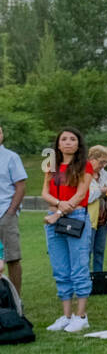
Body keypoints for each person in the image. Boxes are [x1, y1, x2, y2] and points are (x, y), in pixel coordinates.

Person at [41, 127, 94, 333]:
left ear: (78, 144)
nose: (68, 142)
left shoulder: (85, 165)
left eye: (73, 139)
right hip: (53, 217)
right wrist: (58, 204)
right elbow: (45, 192)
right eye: (64, 139)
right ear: (58, 143)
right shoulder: (51, 165)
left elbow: (81, 195)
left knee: (79, 267)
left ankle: (81, 316)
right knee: (60, 269)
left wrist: (58, 213)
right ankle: (66, 315)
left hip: (75, 217)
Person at [0, 122, 28, 297]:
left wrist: (11, 211)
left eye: (0, 132)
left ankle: (15, 301)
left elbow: (21, 186)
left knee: (12, 258)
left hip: (5, 213)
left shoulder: (11, 157)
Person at [86, 146, 107, 275]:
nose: (103, 165)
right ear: (92, 159)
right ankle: (84, 279)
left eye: (105, 162)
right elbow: (85, 196)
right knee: (87, 250)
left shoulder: (104, 174)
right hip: (88, 219)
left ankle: (98, 278)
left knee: (99, 250)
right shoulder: (83, 173)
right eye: (101, 161)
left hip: (103, 218)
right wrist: (101, 191)